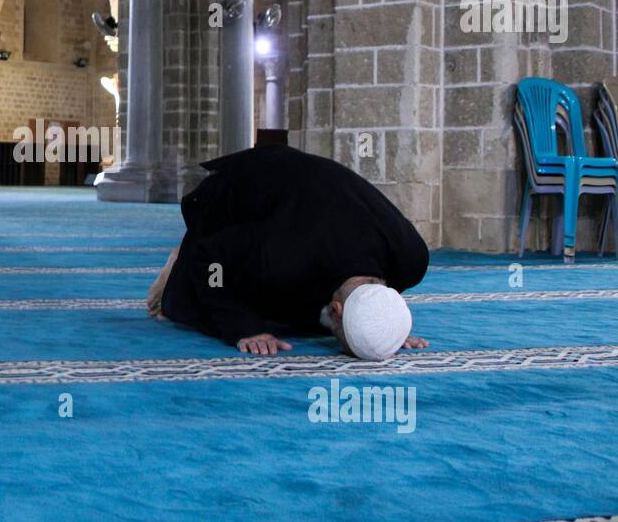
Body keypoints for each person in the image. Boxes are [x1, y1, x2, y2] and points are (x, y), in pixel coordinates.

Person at [147, 145, 430, 361]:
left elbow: (375, 305)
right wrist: (243, 327)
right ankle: (177, 266)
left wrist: (387, 327)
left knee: (301, 311)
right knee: (187, 303)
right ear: (336, 309)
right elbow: (210, 259)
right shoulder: (284, 256)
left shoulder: (411, 257)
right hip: (238, 190)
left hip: (311, 197)